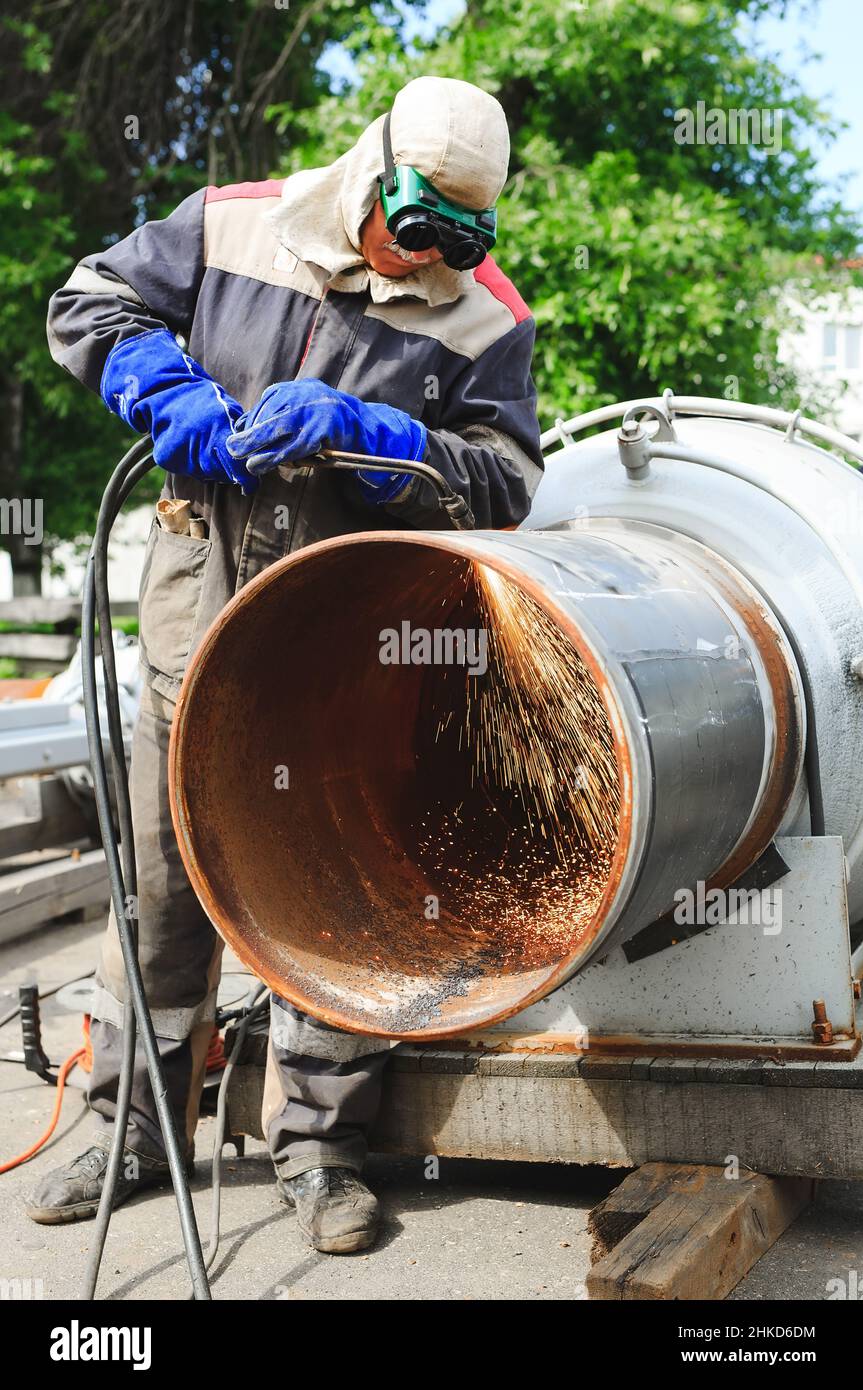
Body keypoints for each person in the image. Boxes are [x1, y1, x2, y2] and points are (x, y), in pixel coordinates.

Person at [29, 75, 543, 1254]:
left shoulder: (486, 317)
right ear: (371, 174)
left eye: (454, 249)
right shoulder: (229, 223)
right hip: (193, 617)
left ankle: (316, 1149)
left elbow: (506, 479)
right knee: (165, 888)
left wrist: (387, 440)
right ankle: (133, 1125)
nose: (422, 270)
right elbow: (89, 297)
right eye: (413, 234)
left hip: (347, 658)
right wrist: (159, 384)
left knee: (333, 894)